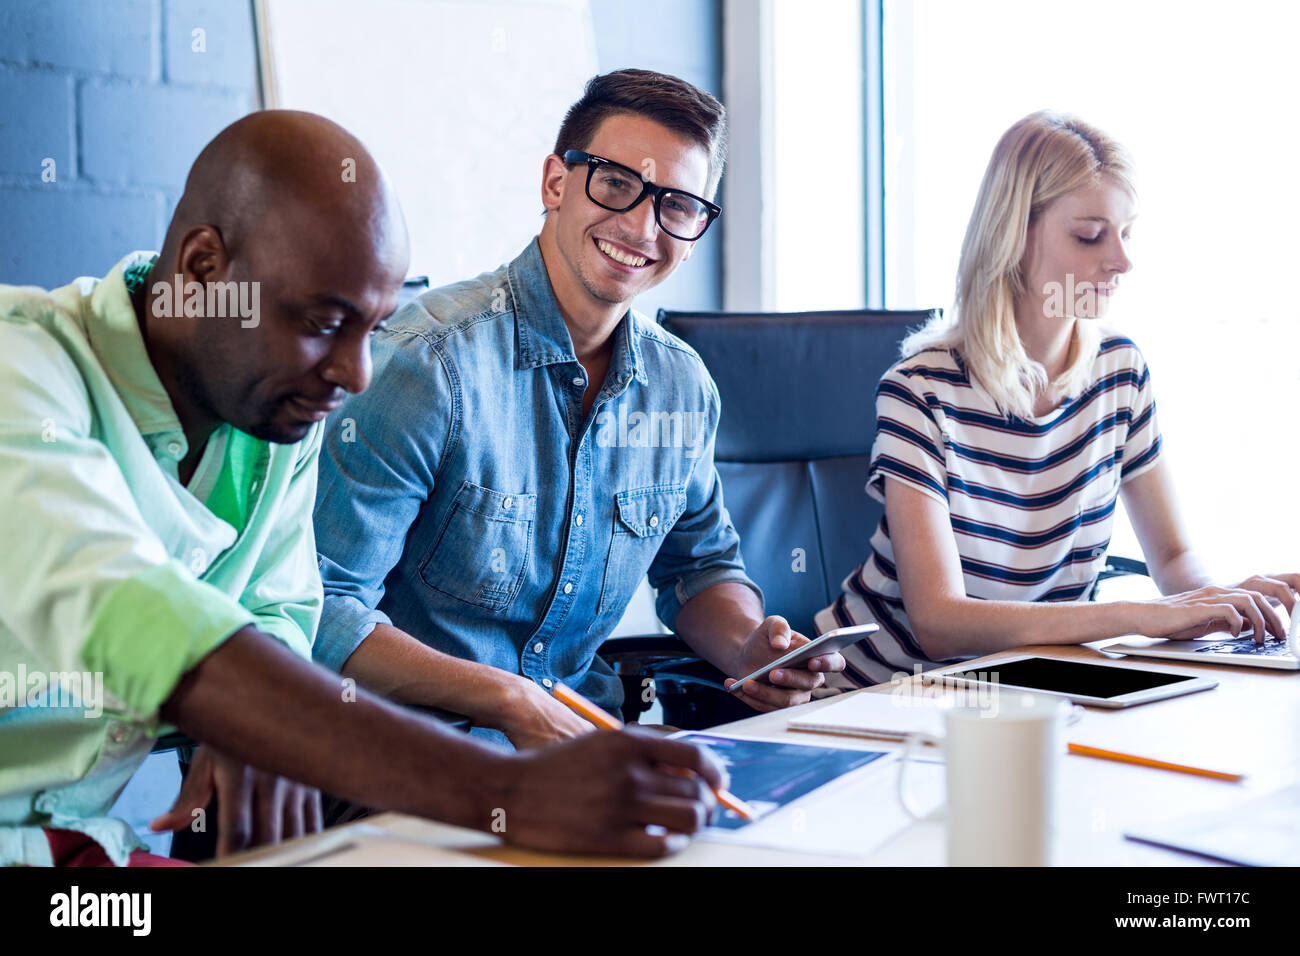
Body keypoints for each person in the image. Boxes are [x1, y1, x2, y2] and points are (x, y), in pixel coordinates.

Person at [0, 109, 724, 866]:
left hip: (73, 851)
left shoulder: (268, 412)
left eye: (368, 328)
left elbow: (282, 608)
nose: (354, 376)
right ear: (206, 270)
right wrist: (512, 794)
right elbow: (129, 609)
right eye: (322, 322)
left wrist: (255, 719)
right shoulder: (21, 373)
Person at [313, 69, 845, 749]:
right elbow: (323, 611)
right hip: (410, 757)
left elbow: (699, 568)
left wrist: (749, 648)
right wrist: (506, 698)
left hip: (586, 750)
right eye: (616, 183)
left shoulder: (681, 386)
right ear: (555, 185)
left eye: (678, 204)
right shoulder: (428, 366)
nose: (641, 225)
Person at [816, 110, 1300, 687]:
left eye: (1126, 232)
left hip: (1027, 690)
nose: (1121, 260)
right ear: (1013, 235)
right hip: (882, 695)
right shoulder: (921, 391)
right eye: (1090, 235)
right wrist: (1138, 617)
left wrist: (1221, 601)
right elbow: (939, 622)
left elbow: (1171, 559)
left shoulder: (1120, 372)